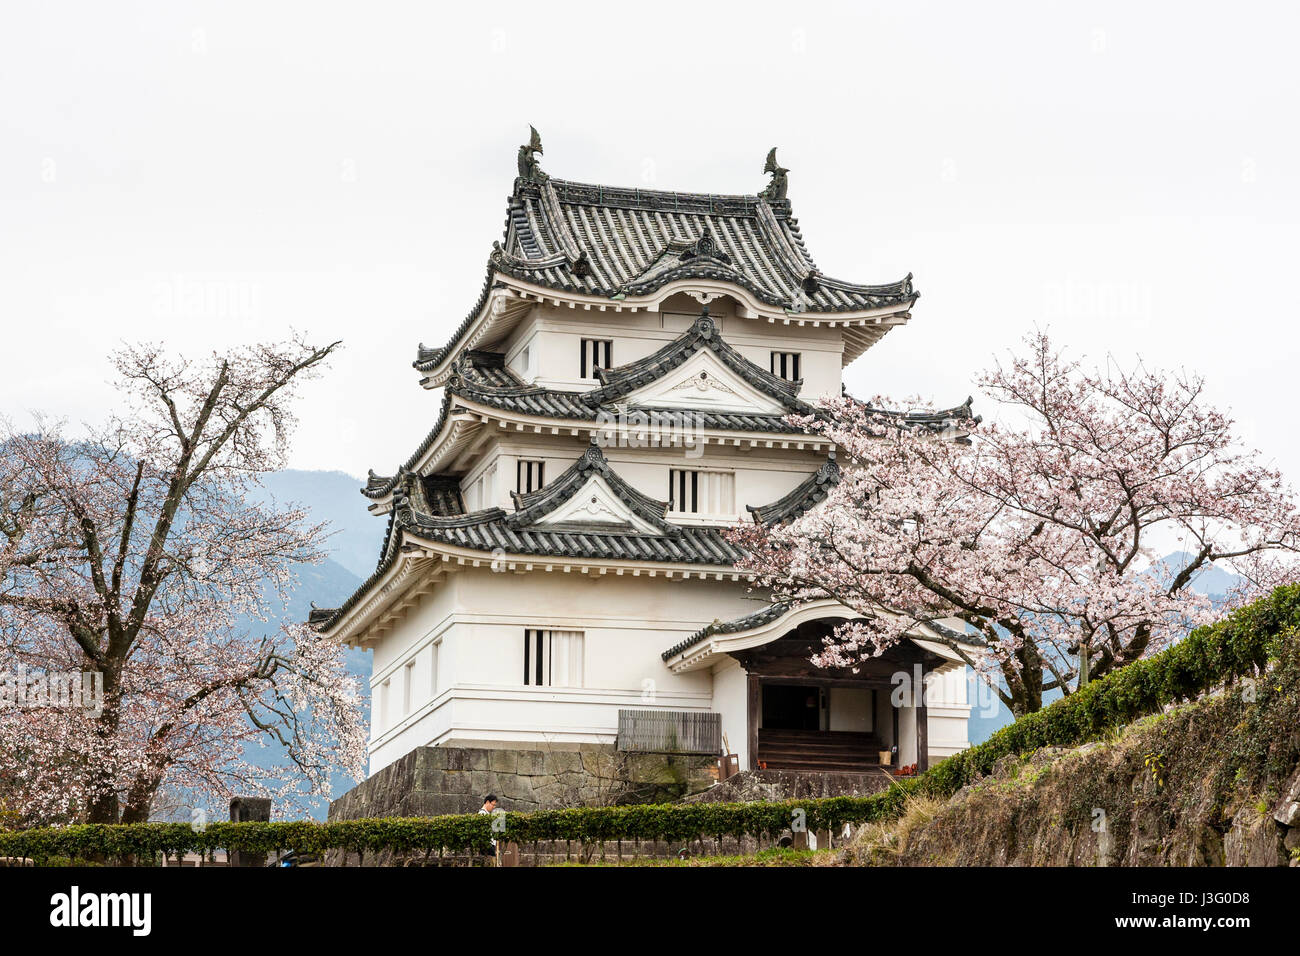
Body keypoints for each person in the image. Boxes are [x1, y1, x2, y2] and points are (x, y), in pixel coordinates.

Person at [477, 794, 499, 864]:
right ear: (487, 802)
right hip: (487, 845)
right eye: (493, 805)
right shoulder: (482, 814)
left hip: (490, 844)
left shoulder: (486, 814)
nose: (493, 807)